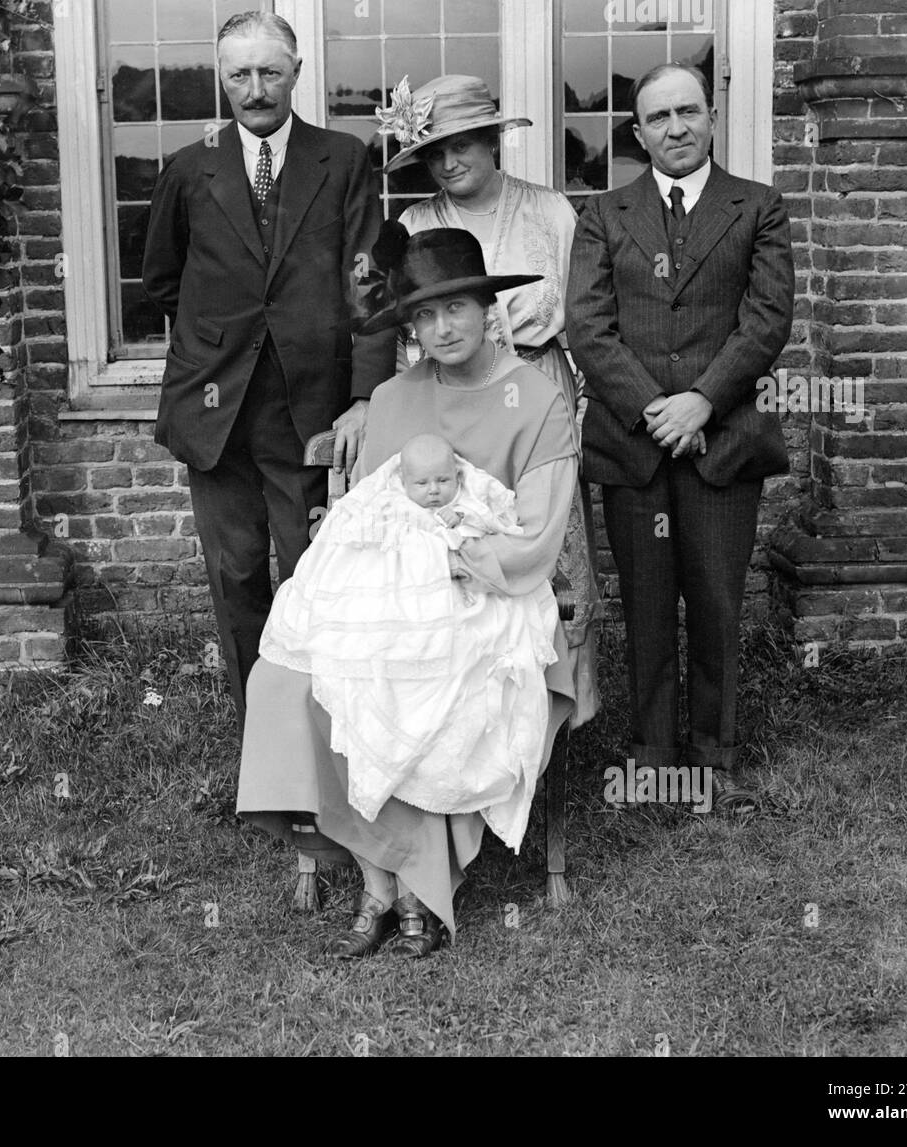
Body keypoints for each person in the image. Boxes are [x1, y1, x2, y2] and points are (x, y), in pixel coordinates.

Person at [239, 227, 584, 959]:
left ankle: (408, 885)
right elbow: (371, 516)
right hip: (393, 593)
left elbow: (539, 533)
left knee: (425, 675)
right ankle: (380, 878)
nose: (440, 329)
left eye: (455, 308)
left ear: (488, 307)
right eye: (422, 317)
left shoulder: (537, 398)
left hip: (494, 587)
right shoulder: (394, 397)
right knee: (287, 676)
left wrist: (462, 563)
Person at [140, 11, 393, 719]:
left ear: (297, 73)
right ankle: (264, 737)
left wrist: (363, 397)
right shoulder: (191, 168)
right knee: (237, 574)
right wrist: (218, 334)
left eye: (270, 72)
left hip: (307, 411)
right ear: (221, 78)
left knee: (314, 571)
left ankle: (322, 729)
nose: (255, 90)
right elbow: (162, 282)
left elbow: (368, 288)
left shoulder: (342, 160)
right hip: (216, 414)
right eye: (239, 75)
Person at [565, 64, 795, 810]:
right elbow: (588, 328)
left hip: (723, 441)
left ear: (712, 116)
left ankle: (714, 757)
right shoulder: (604, 213)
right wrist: (653, 409)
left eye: (688, 112)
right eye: (658, 117)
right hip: (634, 445)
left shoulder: (758, 207)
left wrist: (700, 402)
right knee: (647, 601)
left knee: (719, 604)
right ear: (638, 133)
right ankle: (654, 754)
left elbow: (767, 320)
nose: (676, 128)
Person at [377, 71, 602, 723]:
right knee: (463, 534)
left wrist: (578, 412)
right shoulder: (416, 221)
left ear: (492, 141)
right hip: (446, 394)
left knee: (547, 543)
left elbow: (583, 323)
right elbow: (402, 338)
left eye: (464, 144)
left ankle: (557, 705)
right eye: (435, 152)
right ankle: (465, 710)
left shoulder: (550, 211)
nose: (450, 162)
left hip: (536, 386)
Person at [258, 430, 557, 851]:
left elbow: (492, 521)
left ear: (457, 476)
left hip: (460, 599)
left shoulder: (464, 500)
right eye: (422, 484)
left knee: (468, 659)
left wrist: (464, 522)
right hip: (401, 610)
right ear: (403, 482)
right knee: (372, 665)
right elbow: (365, 546)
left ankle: (426, 844)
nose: (434, 492)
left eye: (443, 482)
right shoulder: (389, 506)